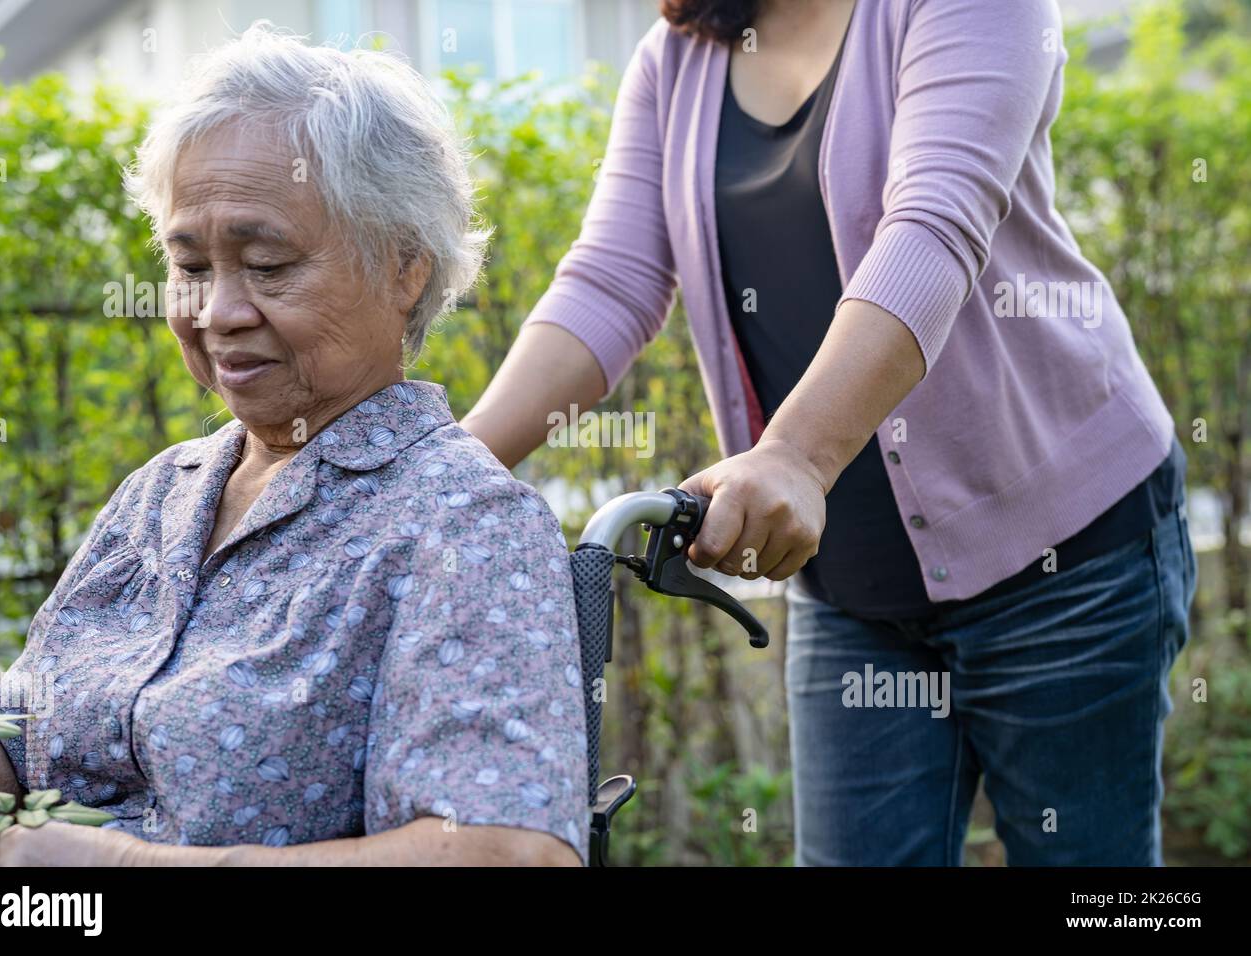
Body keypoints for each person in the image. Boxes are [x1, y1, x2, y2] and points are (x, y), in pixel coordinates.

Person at [461, 0, 1197, 865]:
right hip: (853, 592)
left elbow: (933, 225)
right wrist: (453, 467)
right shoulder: (676, 61)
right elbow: (611, 282)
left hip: (1067, 555)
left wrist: (795, 455)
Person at [0, 24, 588, 867]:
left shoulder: (462, 524)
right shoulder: (158, 494)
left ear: (405, 268)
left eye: (267, 264)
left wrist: (110, 870)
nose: (217, 312)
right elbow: (7, 747)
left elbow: (506, 853)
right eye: (191, 266)